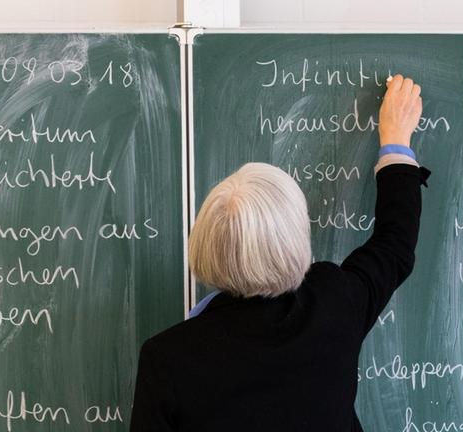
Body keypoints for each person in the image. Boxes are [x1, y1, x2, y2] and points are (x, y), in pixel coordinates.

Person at [130, 74, 430, 432]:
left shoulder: (167, 359)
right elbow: (394, 245)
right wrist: (396, 141)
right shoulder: (333, 303)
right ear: (296, 240)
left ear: (205, 244)